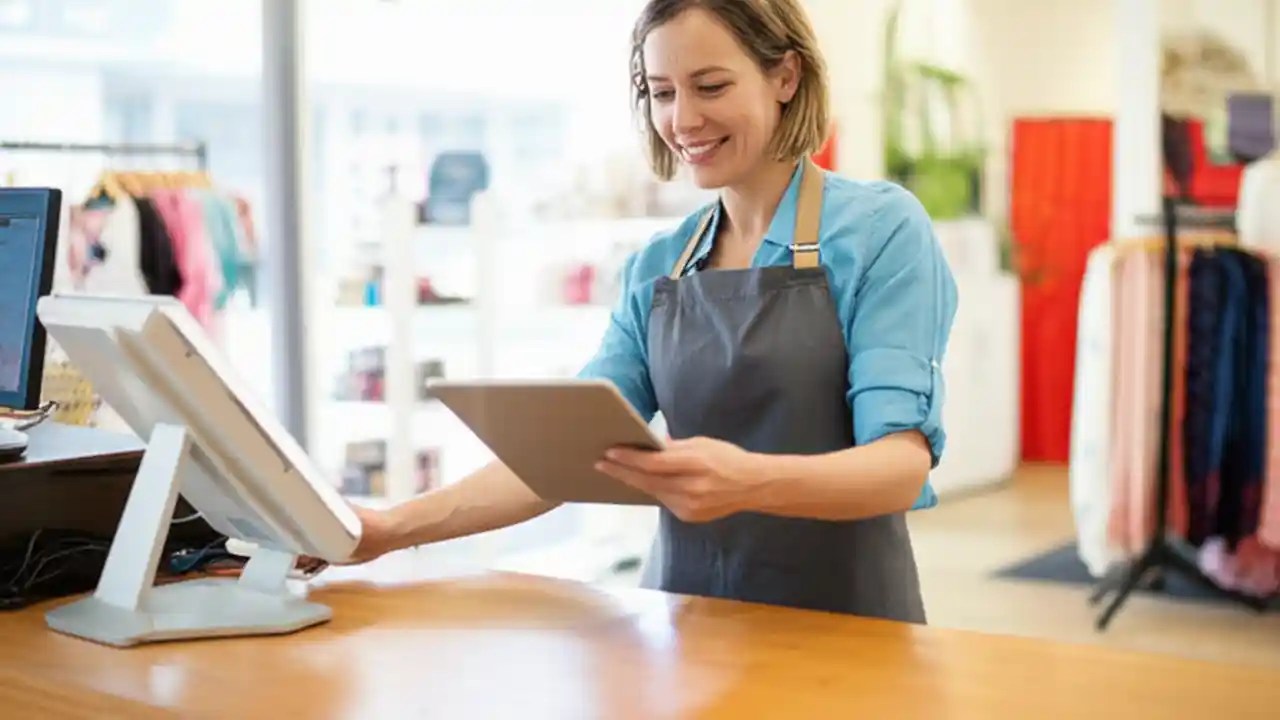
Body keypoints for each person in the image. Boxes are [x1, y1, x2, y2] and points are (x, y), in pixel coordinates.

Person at [348, 0, 958, 624]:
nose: (683, 120)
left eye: (710, 86)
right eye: (661, 93)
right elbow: (561, 456)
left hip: (846, 628)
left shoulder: (879, 230)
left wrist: (750, 481)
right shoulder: (660, 266)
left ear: (785, 76)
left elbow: (899, 467)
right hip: (685, 622)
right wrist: (386, 529)